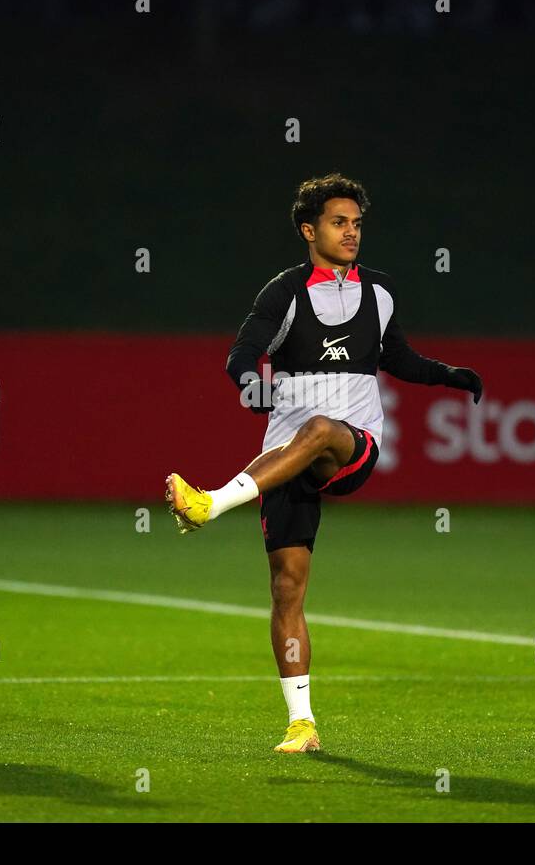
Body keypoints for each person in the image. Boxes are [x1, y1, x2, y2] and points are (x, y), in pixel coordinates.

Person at [166, 173, 483, 751]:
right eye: (340, 223)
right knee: (287, 588)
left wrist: (447, 375)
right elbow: (241, 355)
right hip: (285, 456)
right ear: (309, 230)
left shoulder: (380, 292)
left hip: (352, 446)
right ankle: (302, 723)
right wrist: (250, 385)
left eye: (357, 223)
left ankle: (211, 503)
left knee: (319, 430)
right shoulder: (284, 293)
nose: (352, 232)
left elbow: (399, 359)